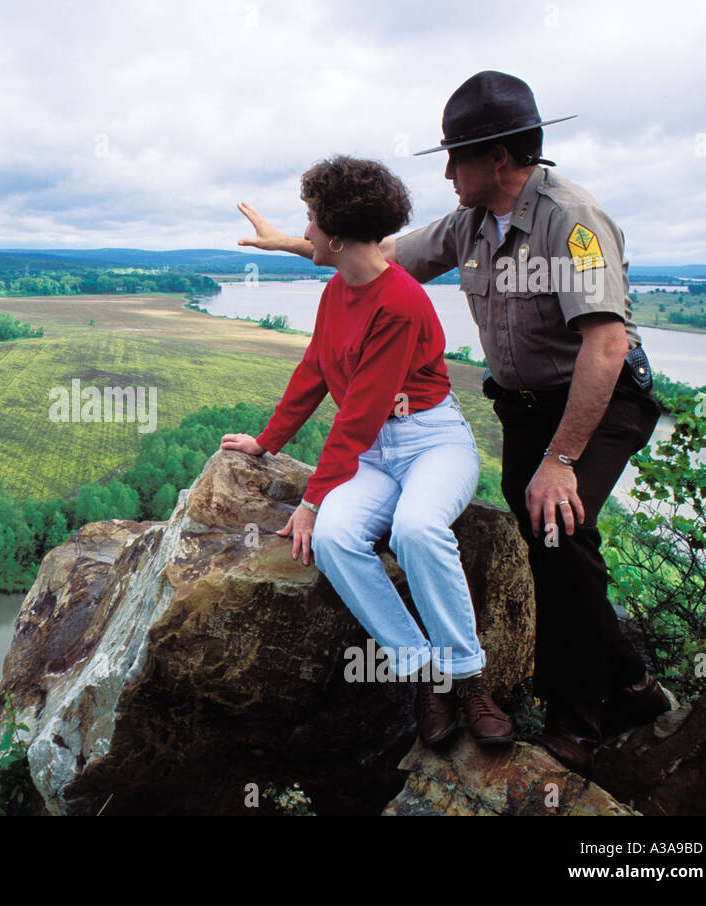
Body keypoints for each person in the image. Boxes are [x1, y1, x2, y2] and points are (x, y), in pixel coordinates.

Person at [237, 72, 671, 778]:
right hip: (526, 405)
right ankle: (632, 681)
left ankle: (583, 716)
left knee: (558, 532)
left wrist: (561, 459)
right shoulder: (469, 222)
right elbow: (374, 255)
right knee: (540, 535)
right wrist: (295, 241)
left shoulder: (572, 220)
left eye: (456, 157)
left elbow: (606, 344)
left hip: (598, 400)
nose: (445, 172)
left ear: (499, 158)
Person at [221, 155, 514, 748]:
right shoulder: (338, 290)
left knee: (417, 529)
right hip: (378, 452)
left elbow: (358, 414)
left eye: (309, 221)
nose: (303, 233)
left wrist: (312, 497)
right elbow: (313, 372)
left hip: (432, 441)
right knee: (332, 540)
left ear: (334, 234)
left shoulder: (400, 303)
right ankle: (420, 669)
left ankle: (466, 675)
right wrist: (268, 441)